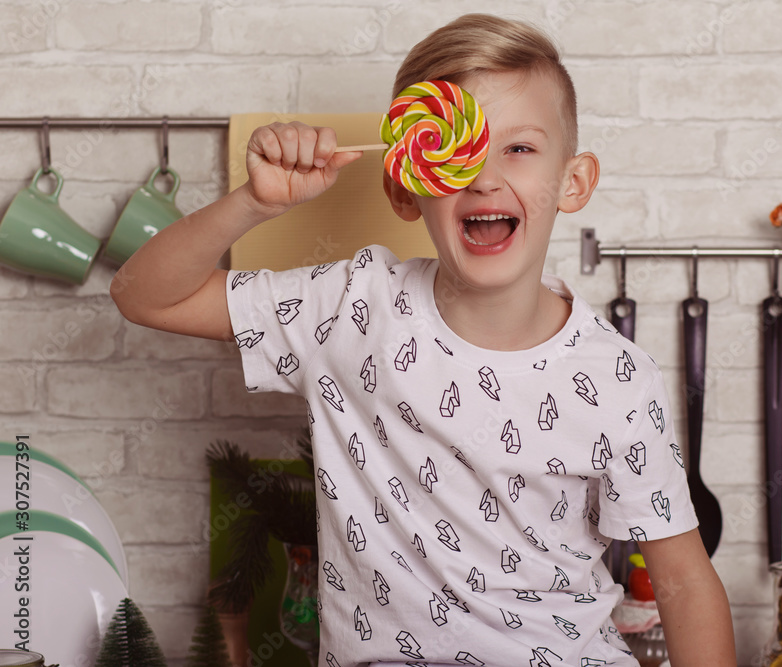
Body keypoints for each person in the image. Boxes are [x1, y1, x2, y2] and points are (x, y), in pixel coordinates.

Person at [112, 13, 737, 667]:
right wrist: (254, 204)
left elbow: (685, 582)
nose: (483, 177)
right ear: (407, 186)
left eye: (518, 148)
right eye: (455, 150)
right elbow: (143, 294)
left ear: (573, 182)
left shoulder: (615, 375)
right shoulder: (352, 307)